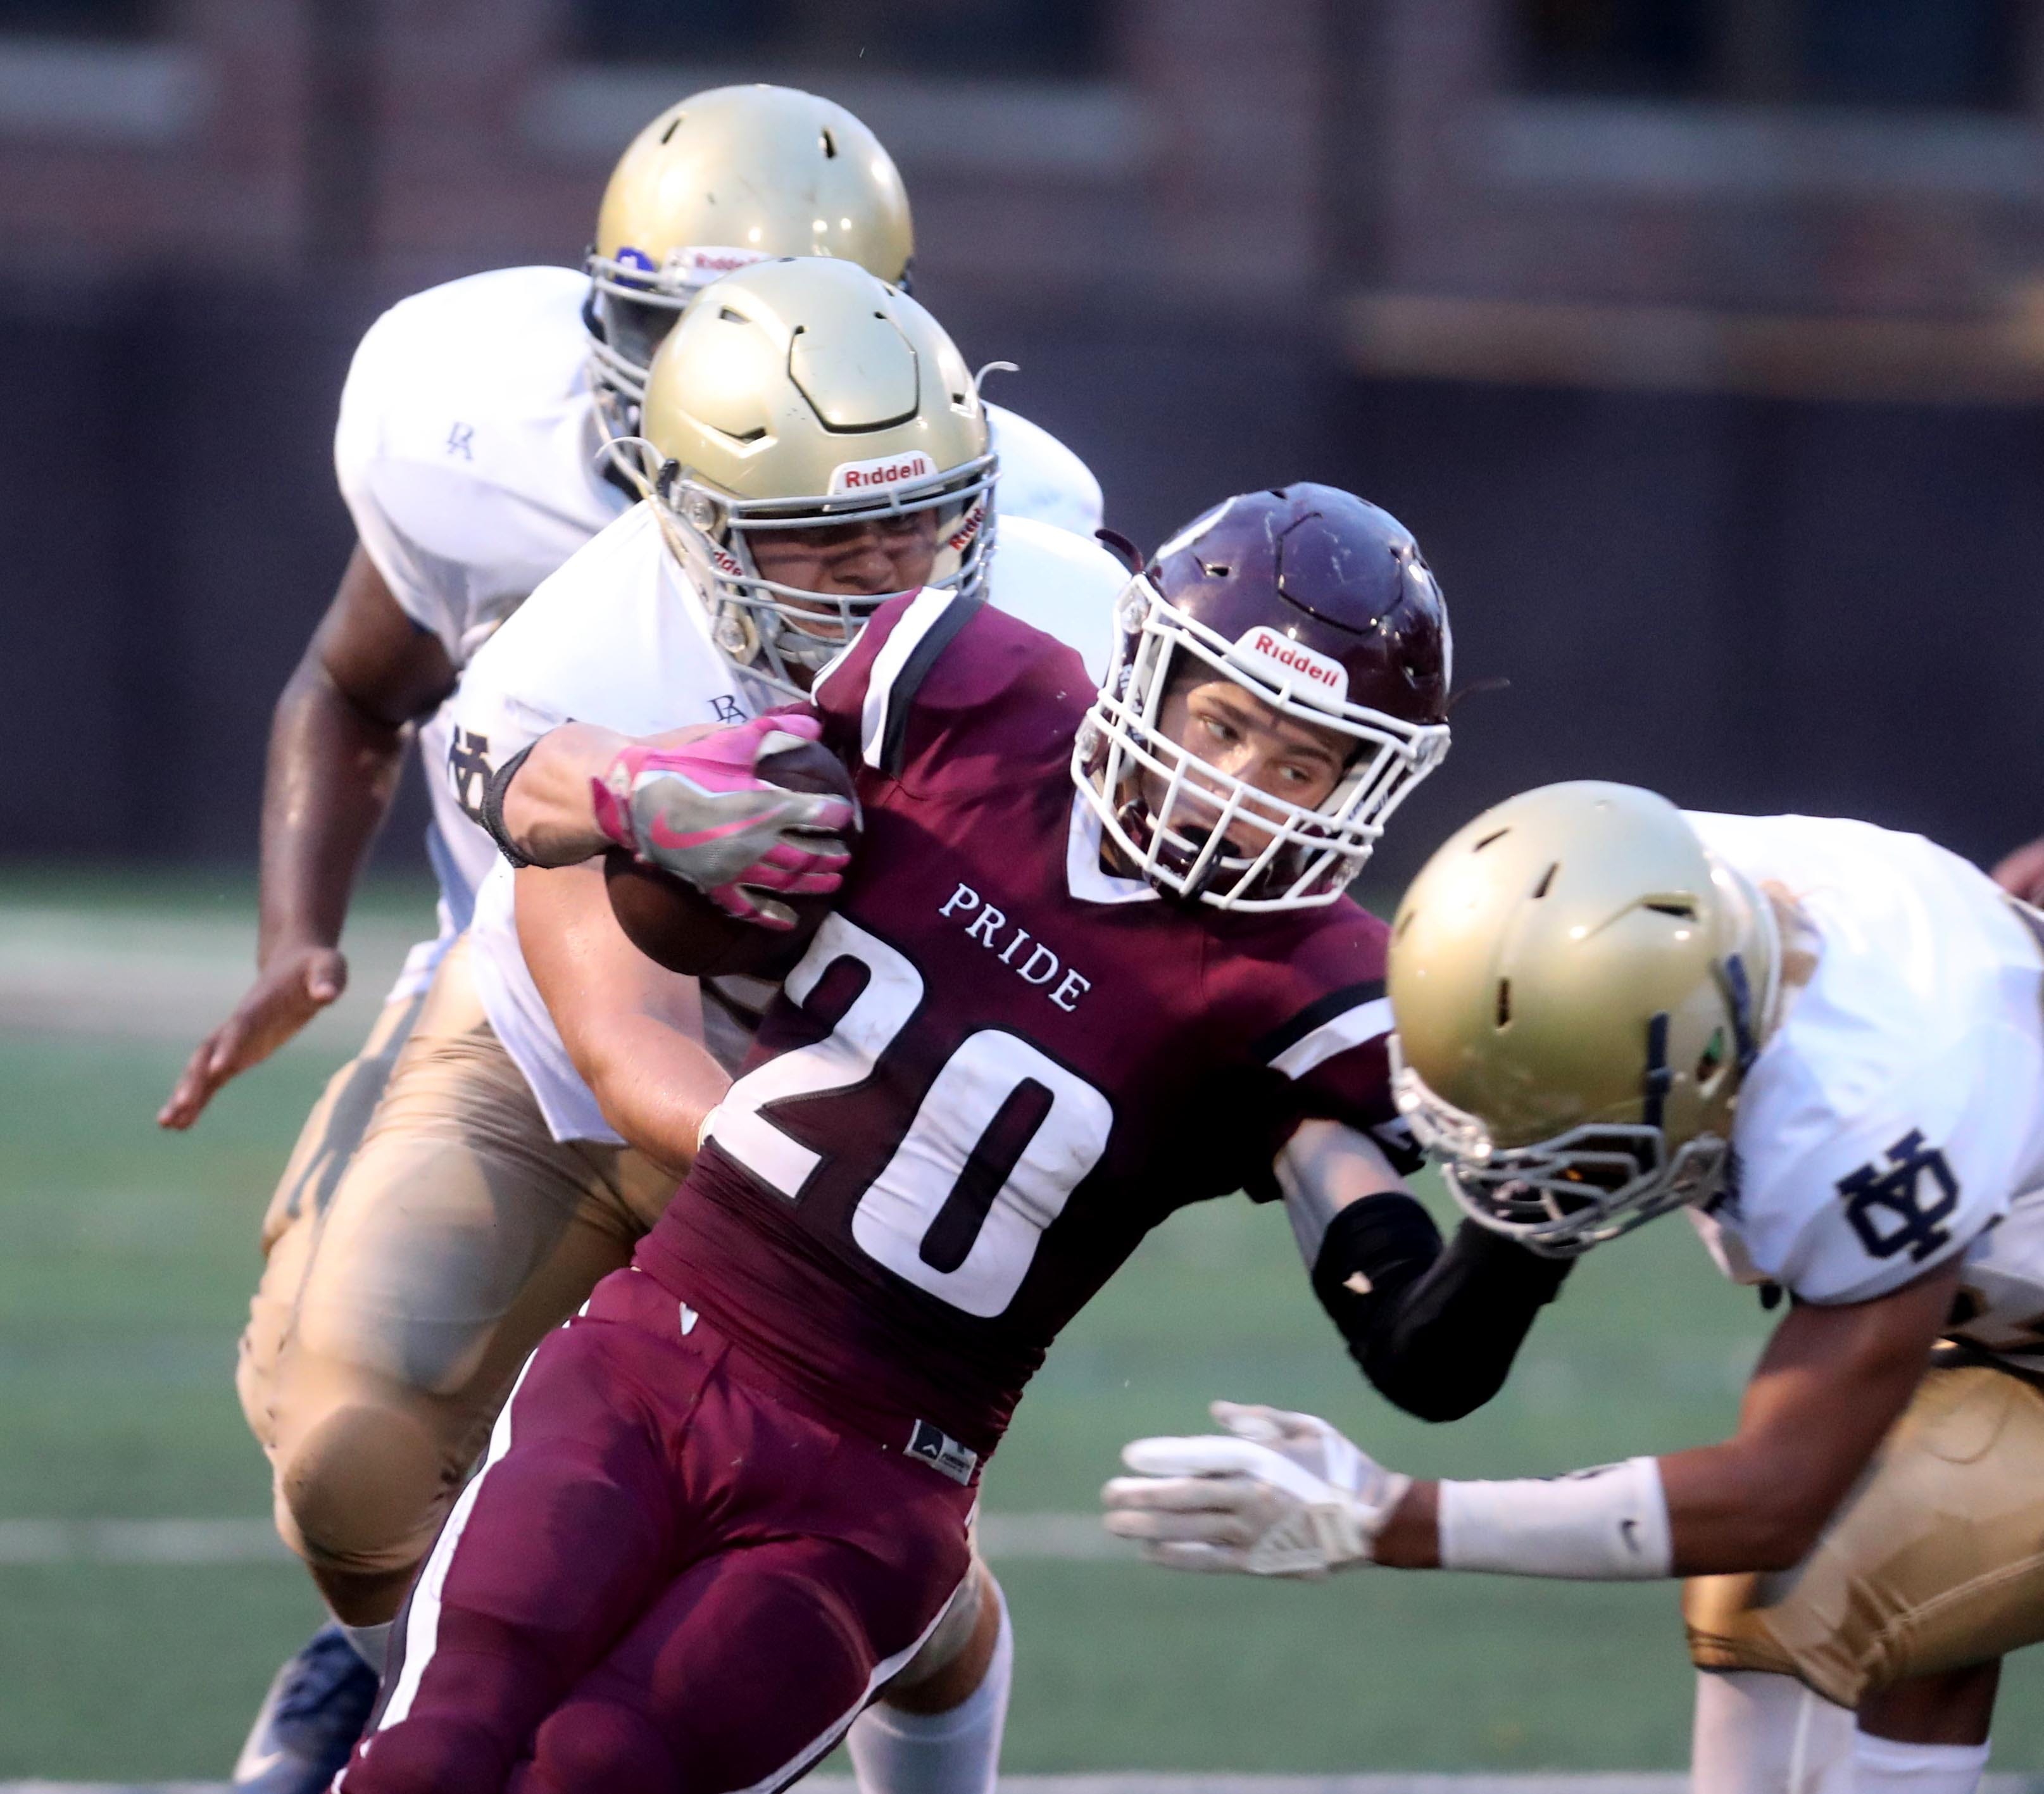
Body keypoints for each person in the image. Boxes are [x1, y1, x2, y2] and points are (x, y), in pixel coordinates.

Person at [325, 486, 1571, 1794]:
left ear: (1357, 787)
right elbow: (540, 796)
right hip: (649, 1356)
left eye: (1299, 764)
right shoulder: (961, 694)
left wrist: (1529, 1219)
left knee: (599, 1771)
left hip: (867, 1495)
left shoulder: (1304, 987)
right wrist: (660, 804)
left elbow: (1414, 1337)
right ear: (1154, 668)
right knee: (436, 1747)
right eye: (1223, 724)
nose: (1236, 788)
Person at [199, 124, 1105, 1781]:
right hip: (556, 1008)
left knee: (842, 1546)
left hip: (844, 1073)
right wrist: (603, 806)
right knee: (346, 1452)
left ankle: (917, 1645)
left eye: (912, 525)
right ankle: (409, 1677)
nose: (874, 579)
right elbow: (484, 768)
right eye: (818, 542)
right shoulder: (566, 588)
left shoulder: (1052, 565)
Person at [1103, 779, 2044, 1794]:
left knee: (1838, 1562)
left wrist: (1389, 1518)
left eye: (1561, 1132)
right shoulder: (1626, 916)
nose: (1516, 1169)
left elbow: (1772, 1496)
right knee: (1873, 1562)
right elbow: (1440, 1353)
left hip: (1995, 1300)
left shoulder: (1873, 1112)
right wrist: (1283, 1112)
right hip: (1990, 1294)